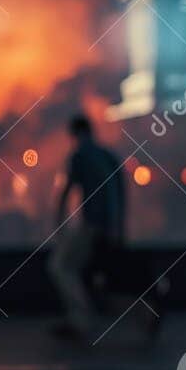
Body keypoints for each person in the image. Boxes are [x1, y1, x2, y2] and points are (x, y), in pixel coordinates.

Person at [47, 115, 129, 341]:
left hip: (91, 226)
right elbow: (119, 194)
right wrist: (117, 229)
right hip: (107, 228)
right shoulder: (108, 156)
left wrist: (59, 224)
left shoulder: (80, 155)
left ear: (74, 134)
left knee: (60, 266)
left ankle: (81, 320)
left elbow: (66, 192)